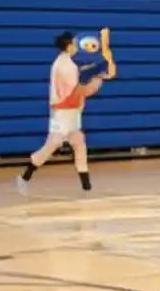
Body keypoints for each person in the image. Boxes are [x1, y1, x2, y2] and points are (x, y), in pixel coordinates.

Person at [16, 30, 113, 195]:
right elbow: (79, 89)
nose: (78, 46)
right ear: (68, 46)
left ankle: (86, 186)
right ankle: (26, 176)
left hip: (73, 110)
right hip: (62, 111)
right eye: (75, 44)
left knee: (78, 142)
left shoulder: (72, 61)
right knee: (54, 143)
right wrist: (97, 81)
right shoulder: (64, 65)